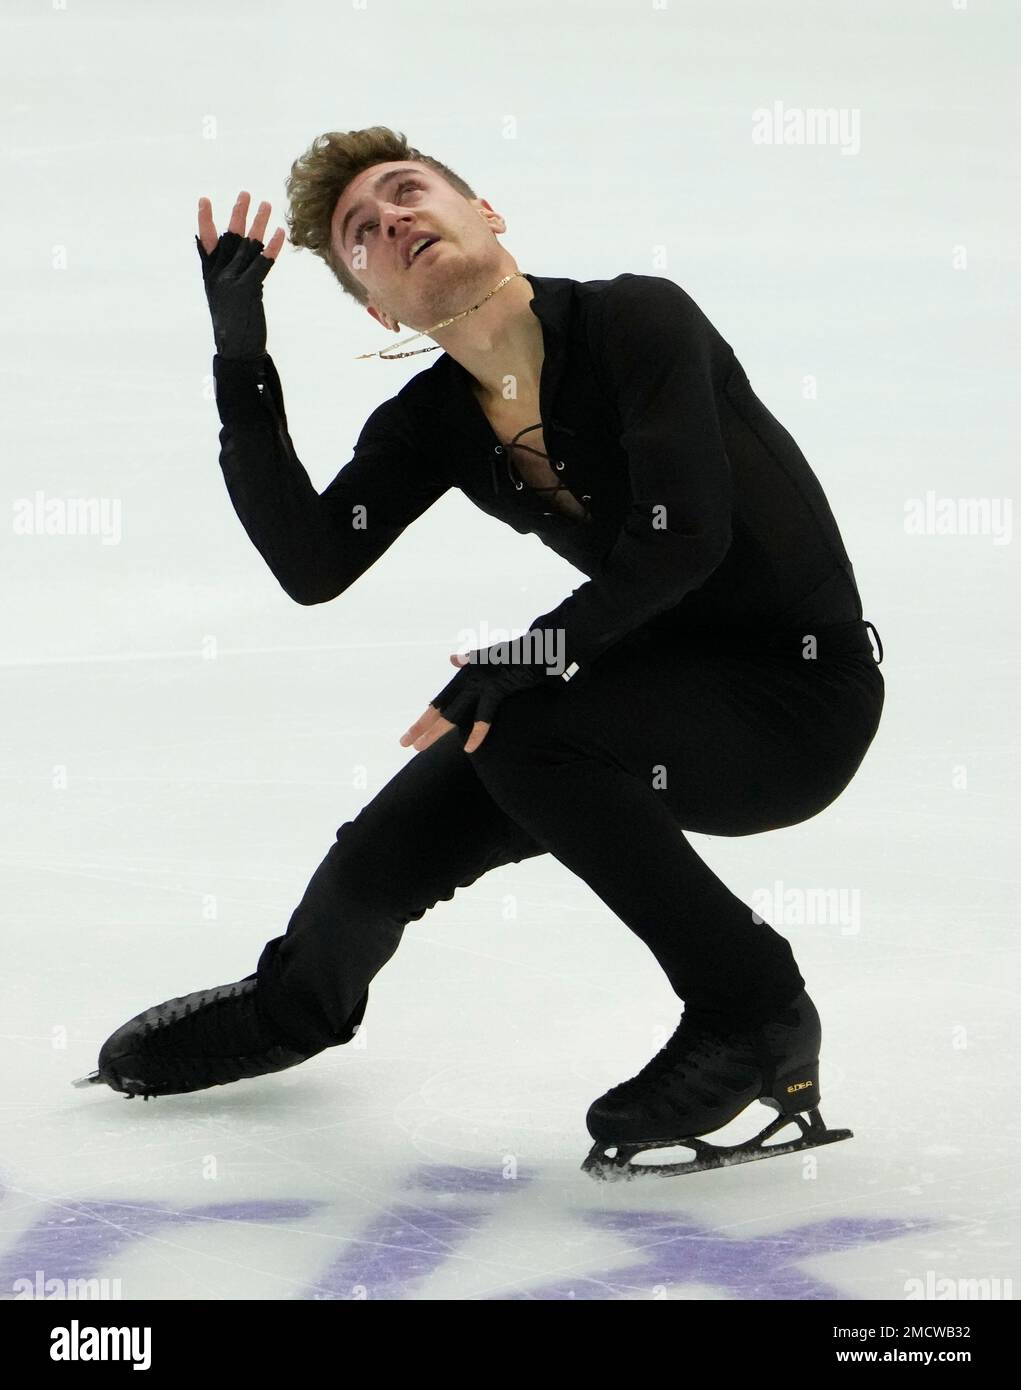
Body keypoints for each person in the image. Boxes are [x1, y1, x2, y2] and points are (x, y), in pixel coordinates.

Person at [76, 127, 885, 1178]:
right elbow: (313, 561)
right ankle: (296, 1003)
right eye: (361, 233)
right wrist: (241, 357)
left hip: (797, 700)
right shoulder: (433, 422)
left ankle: (753, 1010)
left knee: (521, 722)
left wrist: (532, 652)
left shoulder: (637, 317)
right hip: (643, 690)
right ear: (377, 308)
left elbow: (685, 540)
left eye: (406, 194)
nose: (392, 221)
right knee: (442, 789)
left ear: (486, 214)